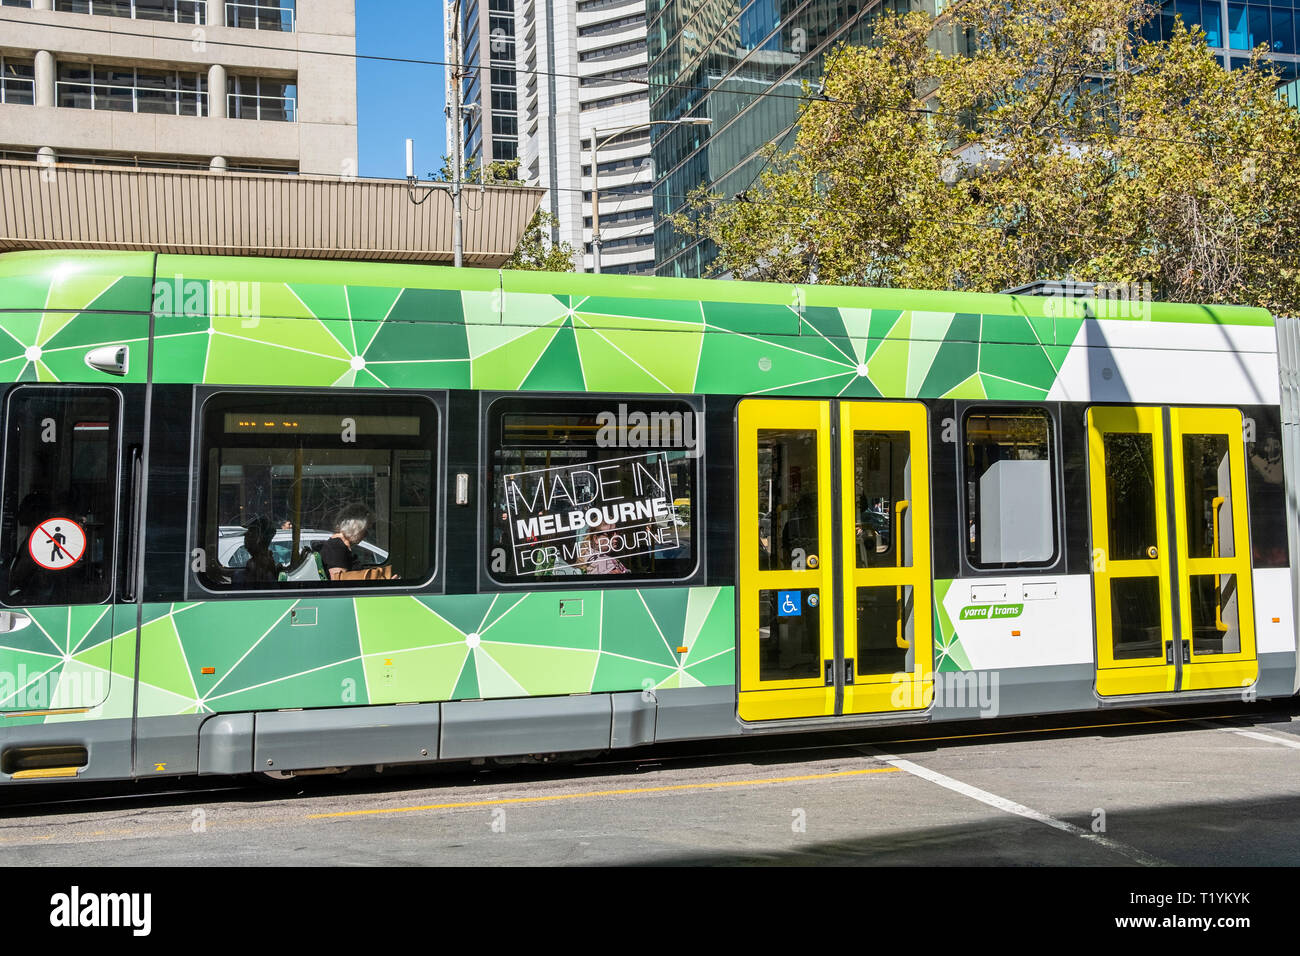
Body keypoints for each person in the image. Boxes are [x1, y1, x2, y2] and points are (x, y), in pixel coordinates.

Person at [321, 503, 372, 580]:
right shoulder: (336, 548)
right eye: (365, 531)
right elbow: (340, 582)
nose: (366, 535)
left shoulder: (341, 546)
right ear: (356, 528)